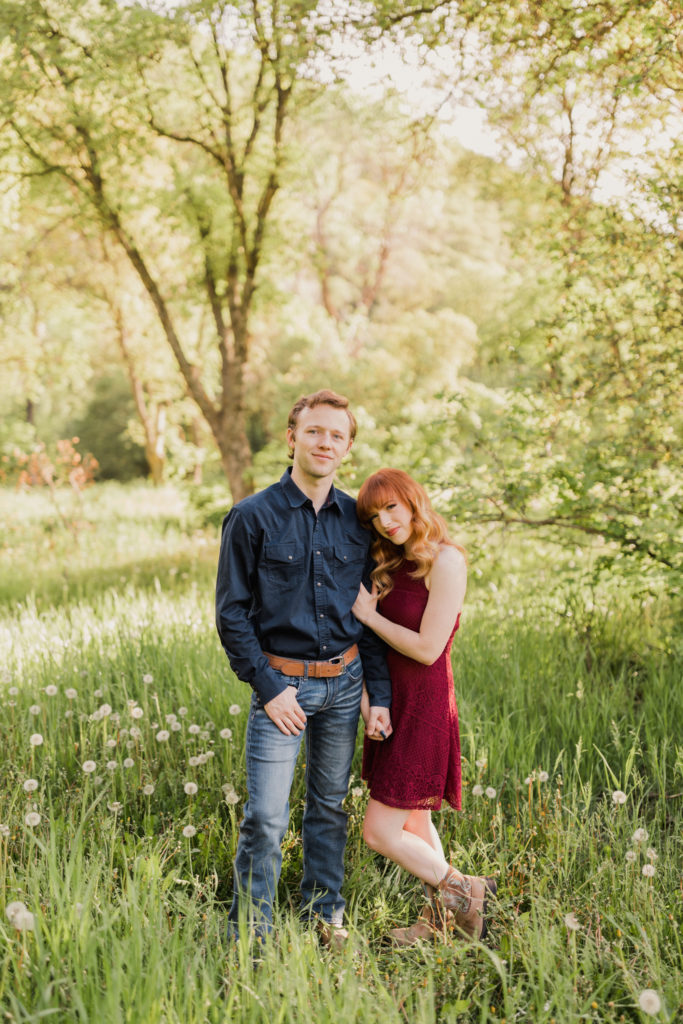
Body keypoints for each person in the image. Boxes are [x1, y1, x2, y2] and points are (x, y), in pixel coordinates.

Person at [215, 389, 393, 948]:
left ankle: (324, 912)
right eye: (314, 431)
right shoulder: (250, 517)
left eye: (337, 435)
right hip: (281, 689)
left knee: (330, 807)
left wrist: (378, 693)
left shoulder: (357, 523)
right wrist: (270, 689)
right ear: (292, 438)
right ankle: (253, 932)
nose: (325, 442)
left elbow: (368, 618)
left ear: (347, 449)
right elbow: (231, 616)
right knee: (266, 817)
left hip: (344, 686)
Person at [352, 468, 496, 945]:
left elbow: (428, 648)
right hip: (390, 703)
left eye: (391, 507)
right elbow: (371, 647)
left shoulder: (446, 560)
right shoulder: (387, 564)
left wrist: (371, 616)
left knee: (379, 831)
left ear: (413, 501)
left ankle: (467, 891)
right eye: (374, 516)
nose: (384, 522)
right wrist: (372, 703)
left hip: (425, 704)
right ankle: (444, 922)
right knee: (415, 818)